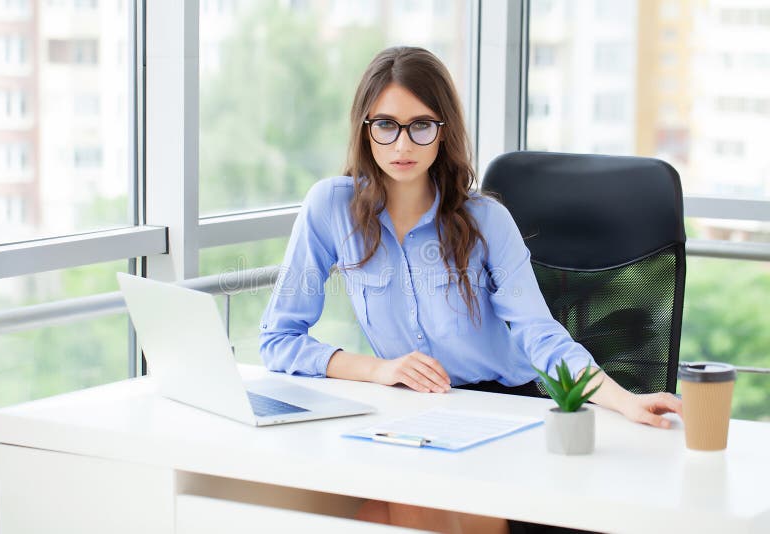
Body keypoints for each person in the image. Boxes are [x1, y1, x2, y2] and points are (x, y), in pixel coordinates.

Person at [259, 46, 682, 533]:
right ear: (364, 129)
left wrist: (625, 399)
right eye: (386, 125)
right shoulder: (330, 207)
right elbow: (278, 339)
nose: (403, 144)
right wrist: (378, 370)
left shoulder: (485, 220)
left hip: (502, 413)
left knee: (397, 509)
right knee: (387, 508)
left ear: (444, 130)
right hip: (410, 410)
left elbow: (541, 336)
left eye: (421, 125)